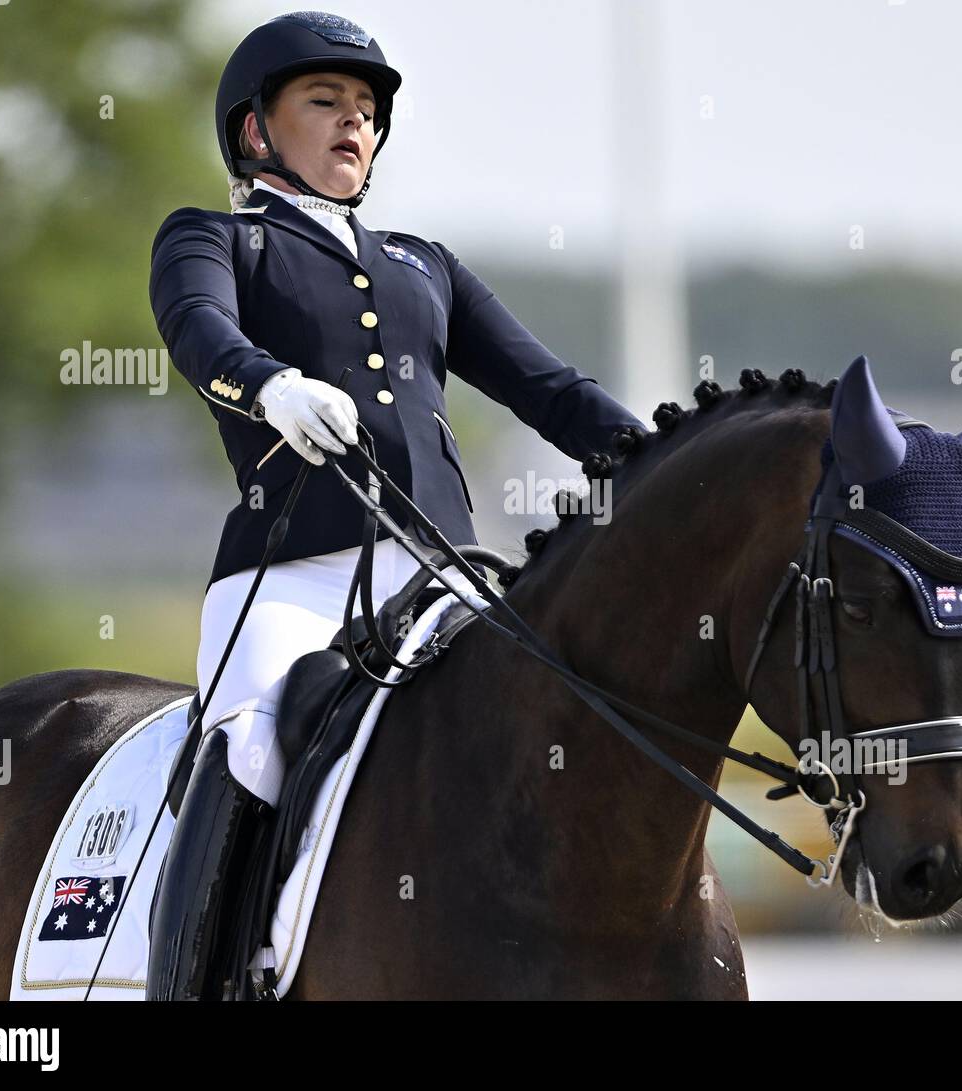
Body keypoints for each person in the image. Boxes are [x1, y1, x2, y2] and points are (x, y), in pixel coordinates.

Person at [145, 11, 646, 999]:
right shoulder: (216, 239)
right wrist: (267, 384)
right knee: (251, 740)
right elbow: (197, 328)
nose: (354, 126)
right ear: (256, 131)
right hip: (292, 584)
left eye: (367, 112)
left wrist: (671, 458)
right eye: (326, 103)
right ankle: (193, 979)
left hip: (445, 582)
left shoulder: (425, 263)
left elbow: (548, 390)